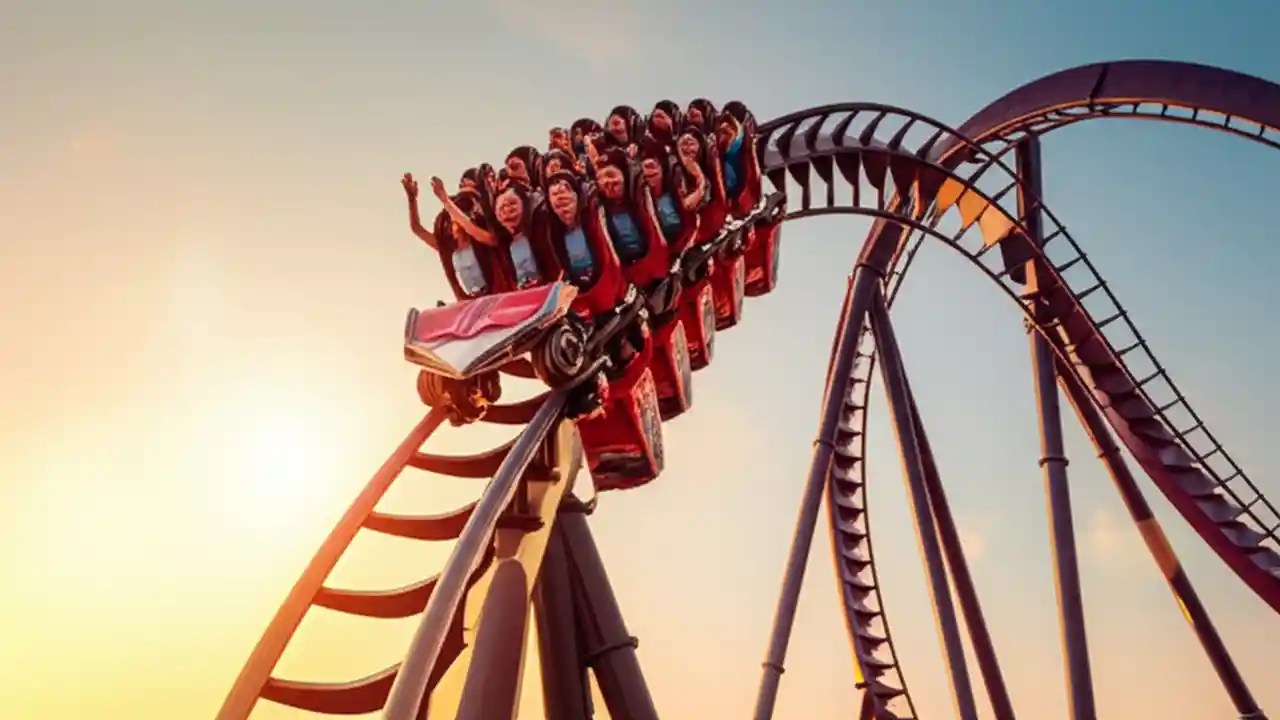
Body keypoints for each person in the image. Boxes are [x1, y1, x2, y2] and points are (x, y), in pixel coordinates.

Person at [401, 172, 507, 300]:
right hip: (471, 301)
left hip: (496, 296)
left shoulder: (480, 239)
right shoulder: (450, 247)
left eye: (454, 220)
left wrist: (446, 201)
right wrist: (412, 199)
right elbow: (417, 229)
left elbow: (488, 237)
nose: (452, 225)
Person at [542, 170, 628, 316]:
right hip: (580, 302)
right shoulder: (554, 237)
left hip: (610, 295)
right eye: (555, 195)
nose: (561, 197)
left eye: (565, 191)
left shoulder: (595, 222)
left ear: (577, 196)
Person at [592, 148, 669, 291]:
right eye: (600, 178)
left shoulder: (642, 197)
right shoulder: (600, 211)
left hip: (659, 271)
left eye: (611, 175)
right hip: (628, 282)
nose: (606, 182)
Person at [637, 135, 704, 253]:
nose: (648, 172)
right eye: (643, 169)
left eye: (652, 166)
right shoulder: (639, 201)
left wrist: (700, 181)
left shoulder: (674, 190)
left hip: (684, 248)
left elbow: (690, 213)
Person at [490, 182, 562, 289]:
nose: (508, 210)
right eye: (502, 208)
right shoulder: (506, 245)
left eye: (512, 204)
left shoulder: (542, 231)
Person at [676, 125, 728, 244]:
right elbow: (685, 206)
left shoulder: (708, 173)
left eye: (692, 144)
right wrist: (700, 183)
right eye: (684, 144)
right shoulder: (675, 171)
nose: (688, 149)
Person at [713, 111, 762, 217]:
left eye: (727, 132)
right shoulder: (717, 152)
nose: (723, 136)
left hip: (741, 200)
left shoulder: (742, 149)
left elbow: (754, 178)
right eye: (721, 132)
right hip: (724, 201)